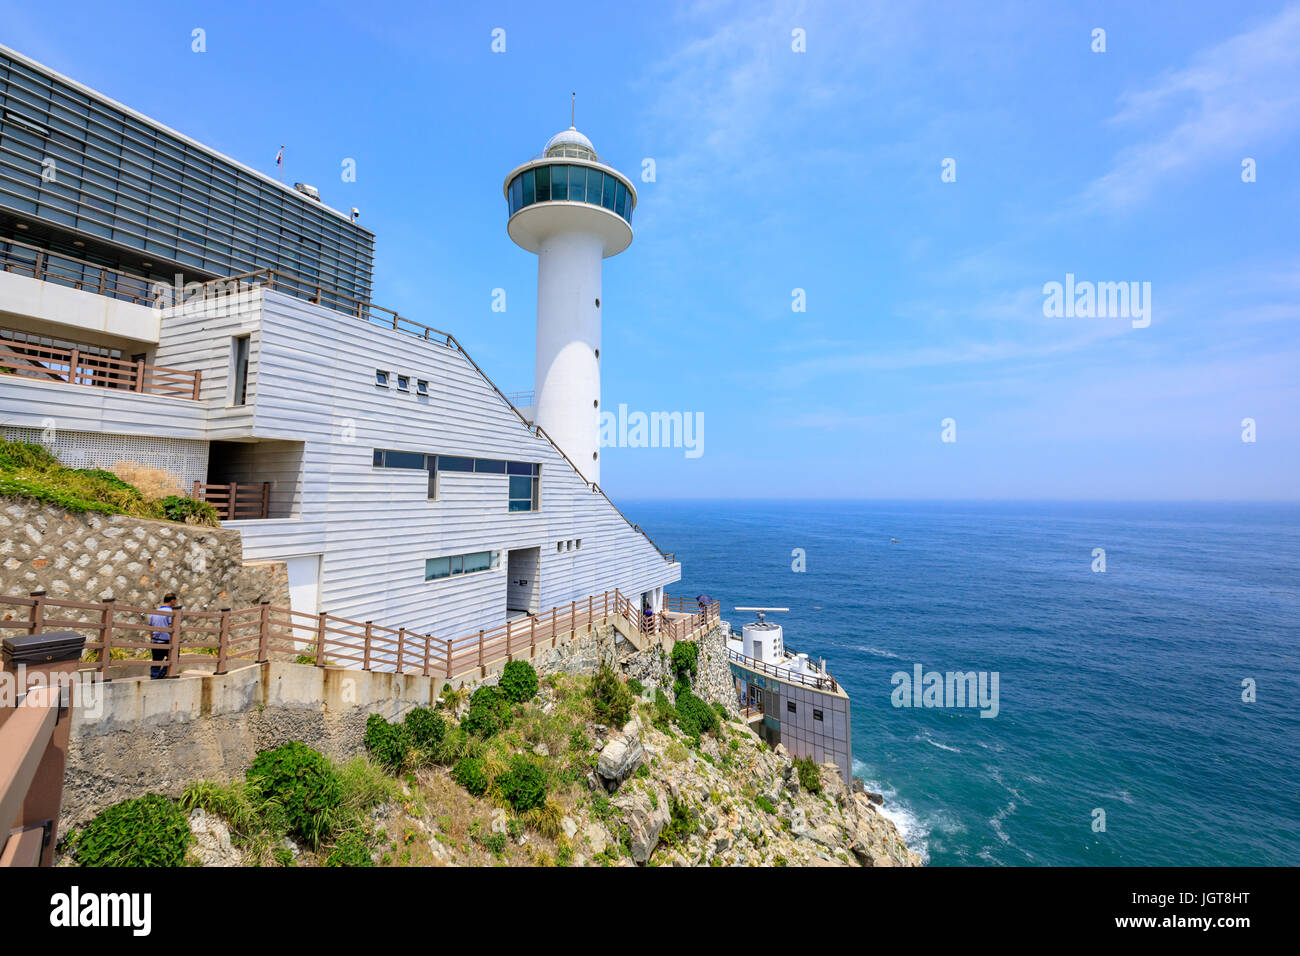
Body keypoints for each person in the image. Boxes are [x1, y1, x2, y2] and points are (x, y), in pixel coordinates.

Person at [149, 593, 176, 679]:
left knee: (156, 661)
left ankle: (154, 677)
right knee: (174, 656)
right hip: (166, 640)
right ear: (172, 601)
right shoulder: (171, 612)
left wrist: (151, 639)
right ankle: (161, 675)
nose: (175, 603)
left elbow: (151, 627)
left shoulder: (155, 612)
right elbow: (171, 626)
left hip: (155, 640)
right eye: (175, 601)